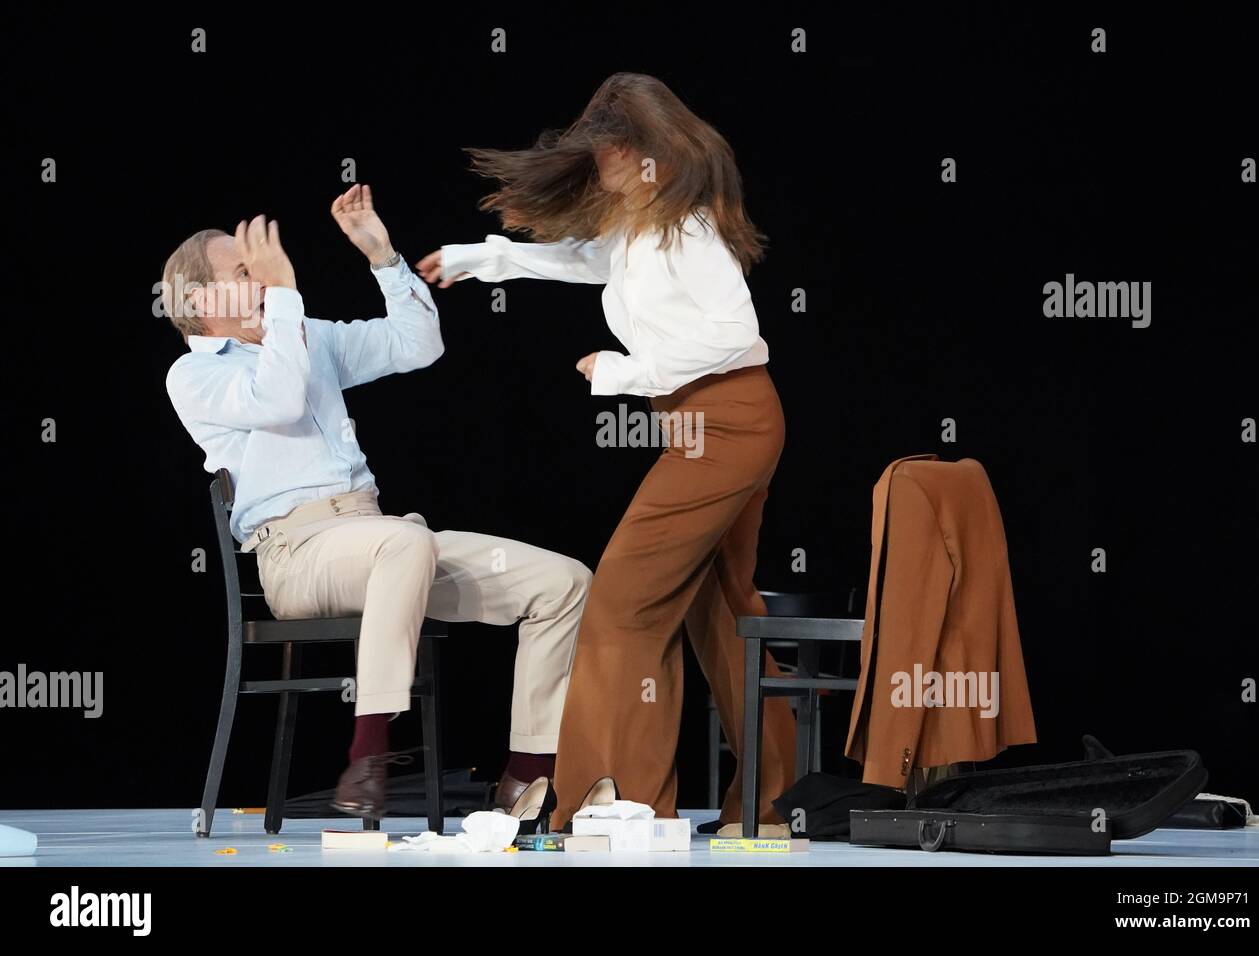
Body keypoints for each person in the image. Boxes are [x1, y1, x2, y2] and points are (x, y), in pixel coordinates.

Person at [418, 73, 796, 830]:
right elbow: (586, 261)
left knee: (621, 603)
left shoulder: (687, 230)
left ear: (642, 149)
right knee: (721, 614)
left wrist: (627, 374)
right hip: (702, 424)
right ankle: (774, 802)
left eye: (610, 151)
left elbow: (734, 332)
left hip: (726, 426)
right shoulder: (639, 227)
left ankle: (617, 803)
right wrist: (484, 258)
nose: (600, 165)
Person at [161, 186, 590, 818]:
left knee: (564, 583)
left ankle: (526, 779)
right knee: (404, 541)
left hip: (381, 543)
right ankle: (368, 753)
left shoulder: (305, 335)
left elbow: (417, 347)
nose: (262, 280)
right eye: (244, 272)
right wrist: (282, 295)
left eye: (262, 270)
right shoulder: (193, 374)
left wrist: (383, 257)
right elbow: (274, 399)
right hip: (299, 556)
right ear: (200, 299)